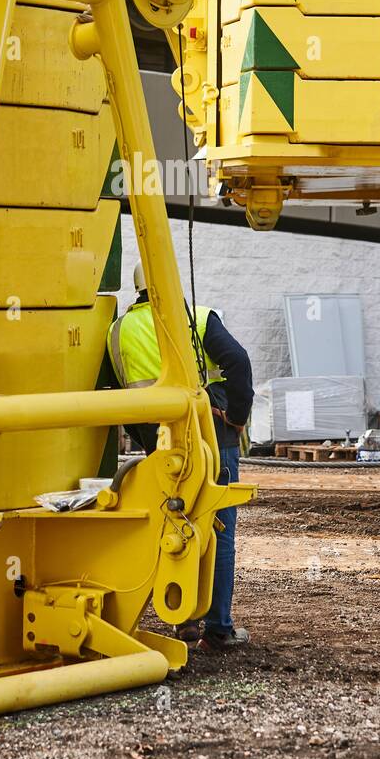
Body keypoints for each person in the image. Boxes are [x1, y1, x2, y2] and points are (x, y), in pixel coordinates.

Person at [105, 261, 254, 650]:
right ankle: (218, 628)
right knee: (218, 531)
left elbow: (117, 393)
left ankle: (184, 620)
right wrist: (236, 417)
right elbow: (238, 362)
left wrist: (148, 444)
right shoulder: (197, 318)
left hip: (161, 450)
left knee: (175, 529)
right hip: (211, 442)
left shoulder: (117, 332)